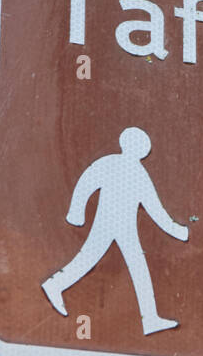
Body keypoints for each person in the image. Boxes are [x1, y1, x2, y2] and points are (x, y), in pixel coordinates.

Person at [41, 127, 188, 335]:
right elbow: (86, 184)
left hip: (122, 226)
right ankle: (55, 285)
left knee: (127, 264)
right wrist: (75, 213)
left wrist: (177, 231)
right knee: (98, 260)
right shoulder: (120, 167)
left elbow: (154, 208)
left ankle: (150, 318)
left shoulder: (128, 169)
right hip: (109, 223)